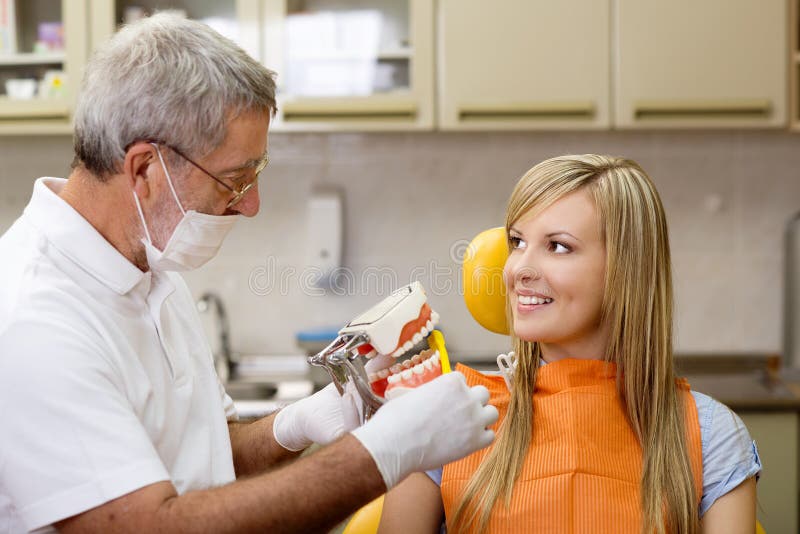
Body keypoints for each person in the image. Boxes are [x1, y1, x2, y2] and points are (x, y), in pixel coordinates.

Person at [0, 13, 499, 533]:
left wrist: (295, 425)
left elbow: (207, 459)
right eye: (235, 179)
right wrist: (380, 453)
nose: (251, 205)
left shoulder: (150, 269)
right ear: (144, 169)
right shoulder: (35, 318)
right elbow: (146, 524)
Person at [378, 155, 761, 534]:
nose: (519, 269)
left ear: (626, 270)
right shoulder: (446, 419)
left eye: (558, 246)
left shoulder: (710, 436)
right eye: (517, 242)